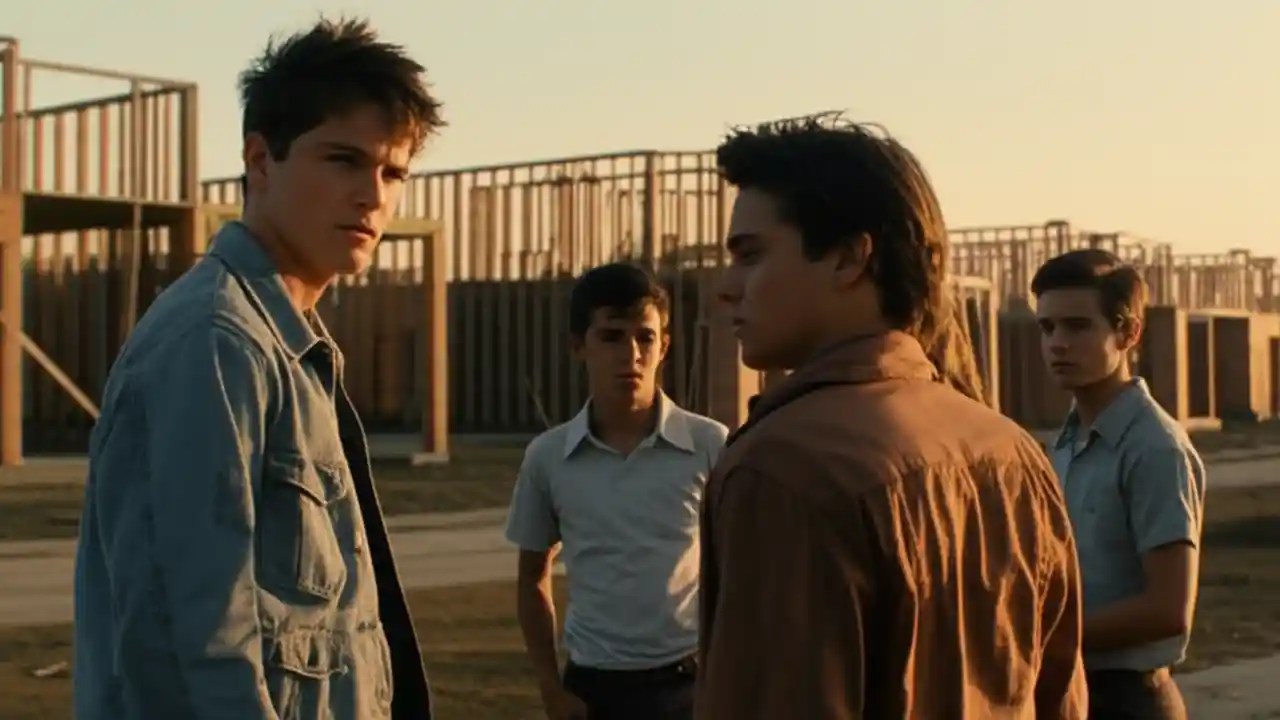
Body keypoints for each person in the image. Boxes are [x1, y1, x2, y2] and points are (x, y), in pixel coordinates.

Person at [72, 18, 445, 720]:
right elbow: (192, 649)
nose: (373, 195)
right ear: (260, 160)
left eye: (392, 172)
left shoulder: (291, 345)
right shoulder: (217, 344)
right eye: (343, 160)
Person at [696, 115, 1089, 719]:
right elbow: (1061, 699)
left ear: (849, 257)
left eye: (751, 256)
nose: (727, 287)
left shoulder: (784, 469)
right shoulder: (1010, 450)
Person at [505, 262, 729, 720]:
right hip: (593, 690)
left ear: (664, 346)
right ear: (578, 346)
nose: (631, 354)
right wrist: (550, 689)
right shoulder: (548, 457)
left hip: (689, 684)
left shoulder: (710, 445)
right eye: (611, 337)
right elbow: (531, 578)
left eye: (645, 337)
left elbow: (744, 572)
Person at [1033, 249, 1206, 719]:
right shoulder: (1066, 442)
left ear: (1128, 333)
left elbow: (1167, 609)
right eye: (1047, 328)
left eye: (1078, 326)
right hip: (1072, 689)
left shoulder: (1154, 447)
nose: (1058, 344)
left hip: (1129, 699)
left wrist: (1039, 633)